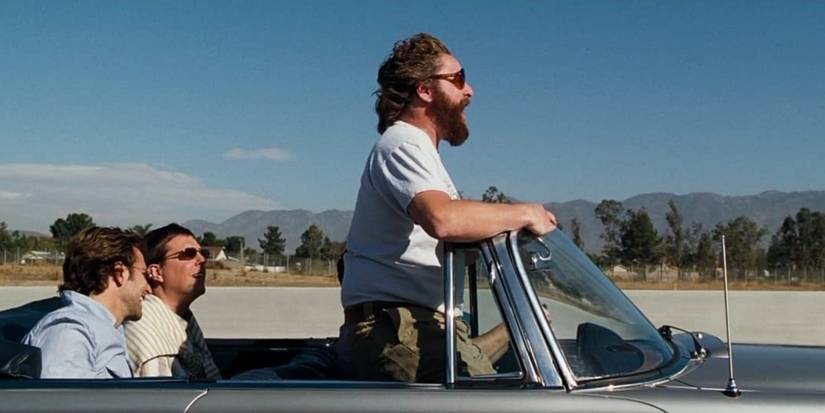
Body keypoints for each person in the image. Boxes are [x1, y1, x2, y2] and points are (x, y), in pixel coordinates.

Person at [338, 33, 557, 382]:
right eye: (458, 79)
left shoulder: (420, 152)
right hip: (401, 330)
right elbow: (442, 219)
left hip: (417, 327)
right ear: (425, 90)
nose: (470, 91)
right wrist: (527, 213)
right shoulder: (402, 143)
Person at [22, 227, 150, 378]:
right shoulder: (70, 330)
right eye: (144, 274)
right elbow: (60, 392)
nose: (148, 288)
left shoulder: (101, 329)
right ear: (120, 273)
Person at [123, 223, 220, 379]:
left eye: (203, 253)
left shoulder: (184, 322)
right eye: (189, 254)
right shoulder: (148, 332)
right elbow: (158, 393)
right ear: (156, 272)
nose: (202, 259)